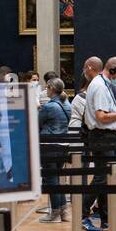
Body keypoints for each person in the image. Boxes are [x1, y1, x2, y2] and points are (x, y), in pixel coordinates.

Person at [81, 56, 116, 231]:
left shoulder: (103, 84)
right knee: (101, 178)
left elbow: (106, 111)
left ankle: (106, 219)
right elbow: (101, 117)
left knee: (107, 178)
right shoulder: (100, 86)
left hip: (106, 136)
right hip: (102, 136)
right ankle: (82, 215)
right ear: (113, 70)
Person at [38, 78, 70, 223]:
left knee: (51, 179)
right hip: (63, 145)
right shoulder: (67, 104)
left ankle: (55, 212)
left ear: (51, 88)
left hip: (49, 145)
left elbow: (38, 122)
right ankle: (63, 210)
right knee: (56, 178)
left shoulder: (49, 106)